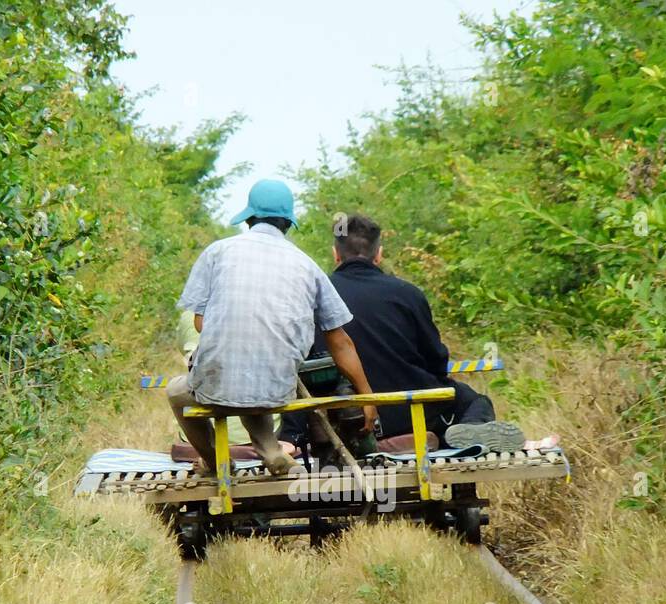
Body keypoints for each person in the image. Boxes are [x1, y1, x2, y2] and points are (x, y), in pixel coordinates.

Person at [168, 180, 376, 476]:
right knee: (255, 387)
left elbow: (200, 324)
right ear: (288, 224)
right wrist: (367, 398)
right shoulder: (306, 265)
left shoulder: (217, 252)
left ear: (248, 218)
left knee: (177, 391)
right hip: (278, 390)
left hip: (219, 387)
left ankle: (217, 463)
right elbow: (341, 342)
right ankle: (272, 452)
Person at [284, 213, 524, 453]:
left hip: (340, 421)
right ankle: (463, 436)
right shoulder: (408, 294)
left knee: (299, 407)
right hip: (411, 415)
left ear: (336, 254)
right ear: (379, 254)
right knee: (472, 399)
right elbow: (437, 362)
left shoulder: (314, 297)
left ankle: (289, 441)